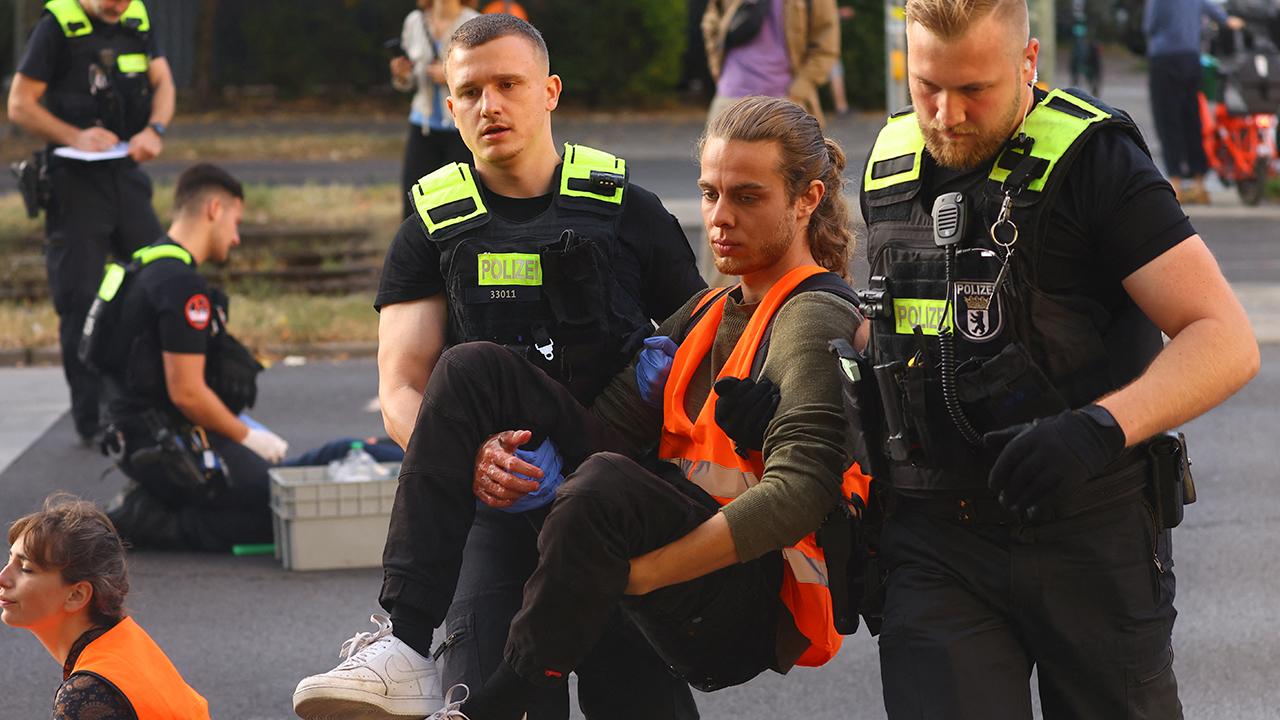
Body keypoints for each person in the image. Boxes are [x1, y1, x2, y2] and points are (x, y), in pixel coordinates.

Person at [294, 94, 863, 720]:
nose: (719, 218)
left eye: (747, 197)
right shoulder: (712, 308)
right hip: (661, 531)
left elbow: (802, 490)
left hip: (745, 596)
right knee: (469, 368)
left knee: (601, 483)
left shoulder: (812, 313)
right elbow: (610, 425)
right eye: (709, 194)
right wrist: (508, 454)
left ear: (807, 198)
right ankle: (403, 644)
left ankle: (494, 703)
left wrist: (637, 574)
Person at [854, 1, 1260, 717]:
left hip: (1088, 532)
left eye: (974, 90)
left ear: (1028, 63)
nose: (946, 114)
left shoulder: (1096, 161)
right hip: (934, 541)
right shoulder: (889, 163)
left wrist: (1098, 426)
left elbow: (1223, 336)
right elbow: (897, 330)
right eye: (926, 87)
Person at [300, 14, 707, 720]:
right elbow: (400, 388)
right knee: (492, 702)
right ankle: (402, 648)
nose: (490, 105)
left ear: (548, 91)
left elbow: (705, 342)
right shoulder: (430, 231)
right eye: (470, 91)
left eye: (508, 84)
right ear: (449, 106)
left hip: (612, 499)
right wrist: (473, 458)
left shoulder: (629, 213)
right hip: (494, 513)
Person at [92, 163, 290, 553]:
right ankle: (152, 520)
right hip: (164, 444)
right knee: (279, 511)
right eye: (236, 221)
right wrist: (249, 437)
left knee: (285, 479)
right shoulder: (181, 285)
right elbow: (187, 393)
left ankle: (158, 500)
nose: (236, 238)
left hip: (132, 434)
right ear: (214, 209)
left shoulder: (140, 264)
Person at [7, 0, 176, 446]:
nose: (118, 4)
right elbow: (20, 105)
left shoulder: (136, 20)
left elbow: (164, 84)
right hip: (74, 181)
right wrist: (74, 135)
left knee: (159, 278)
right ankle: (93, 418)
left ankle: (159, 399)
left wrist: (154, 130)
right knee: (80, 298)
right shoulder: (57, 25)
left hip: (125, 172)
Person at [1, 493, 209, 719]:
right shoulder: (126, 646)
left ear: (76, 595)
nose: (3, 578)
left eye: (26, 568)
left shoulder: (86, 696)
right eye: (9, 559)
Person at [1144, 0, 1246, 203]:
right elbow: (1218, 15)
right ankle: (1200, 184)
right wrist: (1229, 21)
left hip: (1165, 59)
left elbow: (1149, 26)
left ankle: (1176, 183)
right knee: (1192, 118)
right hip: (1191, 59)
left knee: (1168, 119)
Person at [392, 0, 479, 221]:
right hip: (423, 124)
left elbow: (482, 74)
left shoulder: (474, 21)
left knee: (460, 202)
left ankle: (455, 254)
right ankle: (414, 253)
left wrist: (450, 77)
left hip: (461, 129)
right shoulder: (414, 21)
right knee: (413, 200)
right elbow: (410, 81)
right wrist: (402, 75)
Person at [701, 0, 840, 124]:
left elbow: (826, 48)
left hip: (784, 100)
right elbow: (711, 20)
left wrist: (797, 93)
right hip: (729, 96)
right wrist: (718, 70)